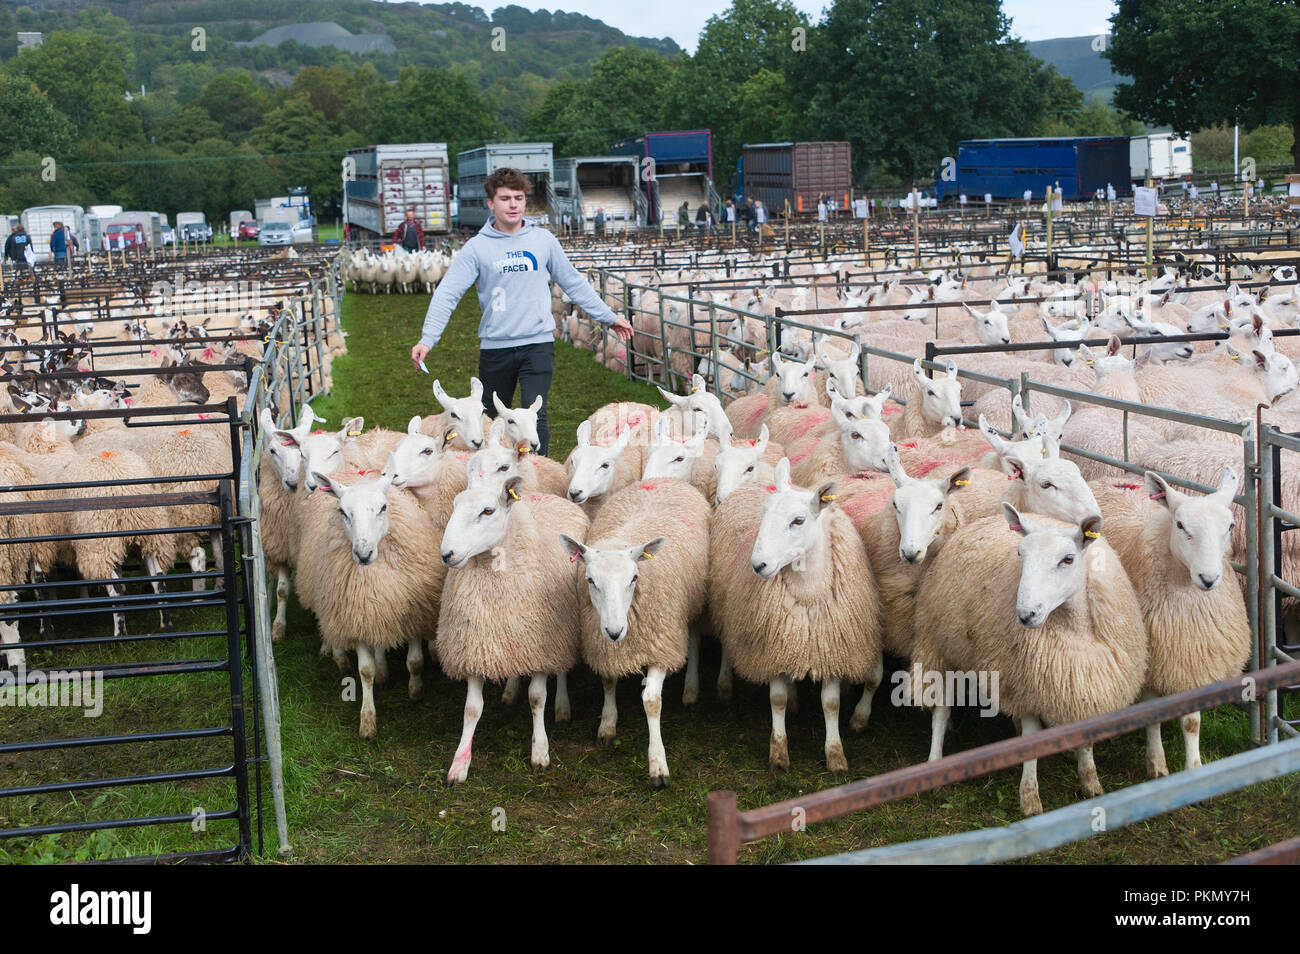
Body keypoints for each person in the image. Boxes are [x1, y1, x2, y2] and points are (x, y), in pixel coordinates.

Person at [410, 167, 633, 457]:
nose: (513, 204)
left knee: (533, 416)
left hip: (537, 345)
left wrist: (609, 316)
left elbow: (574, 282)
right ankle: (490, 479)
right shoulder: (477, 248)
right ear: (491, 203)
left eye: (519, 197)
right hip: (496, 348)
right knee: (488, 420)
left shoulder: (543, 241)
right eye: (505, 198)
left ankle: (536, 482)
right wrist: (428, 339)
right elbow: (447, 293)